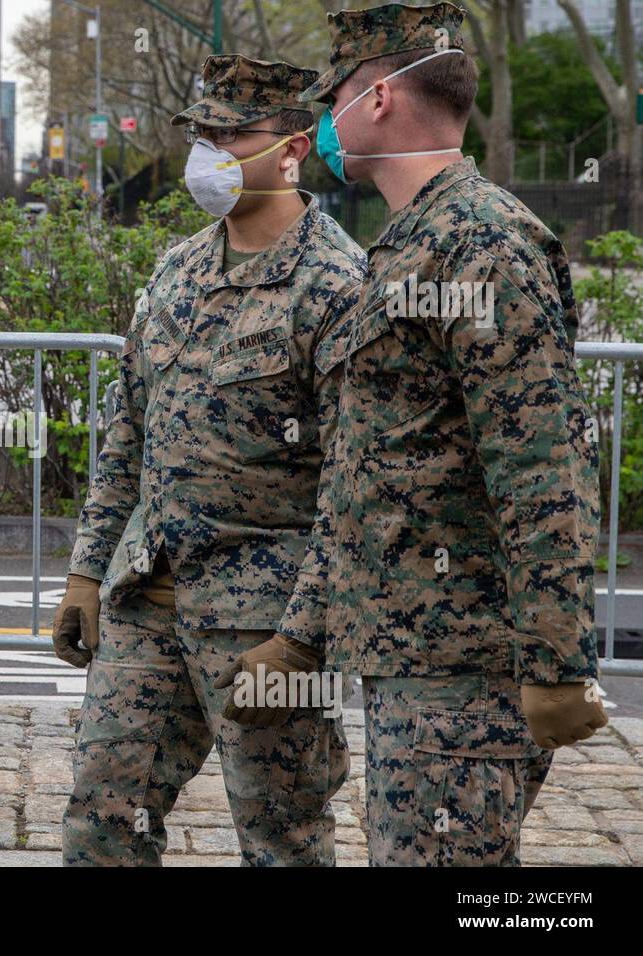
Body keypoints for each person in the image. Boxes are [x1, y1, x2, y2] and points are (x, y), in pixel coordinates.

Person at [289, 0, 607, 866]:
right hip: (409, 657)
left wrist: (553, 660)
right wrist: (303, 628)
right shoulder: (409, 242)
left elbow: (543, 466)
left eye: (333, 98)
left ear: (380, 98)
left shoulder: (483, 243)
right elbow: (374, 461)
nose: (324, 123)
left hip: (463, 674)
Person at [54, 55, 367, 866]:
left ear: (293, 148)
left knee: (283, 837)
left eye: (233, 135)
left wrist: (303, 637)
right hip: (147, 599)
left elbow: (356, 484)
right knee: (100, 822)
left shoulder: (337, 284)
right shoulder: (177, 270)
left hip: (264, 620)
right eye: (203, 134)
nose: (211, 153)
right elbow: (129, 427)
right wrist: (88, 572)